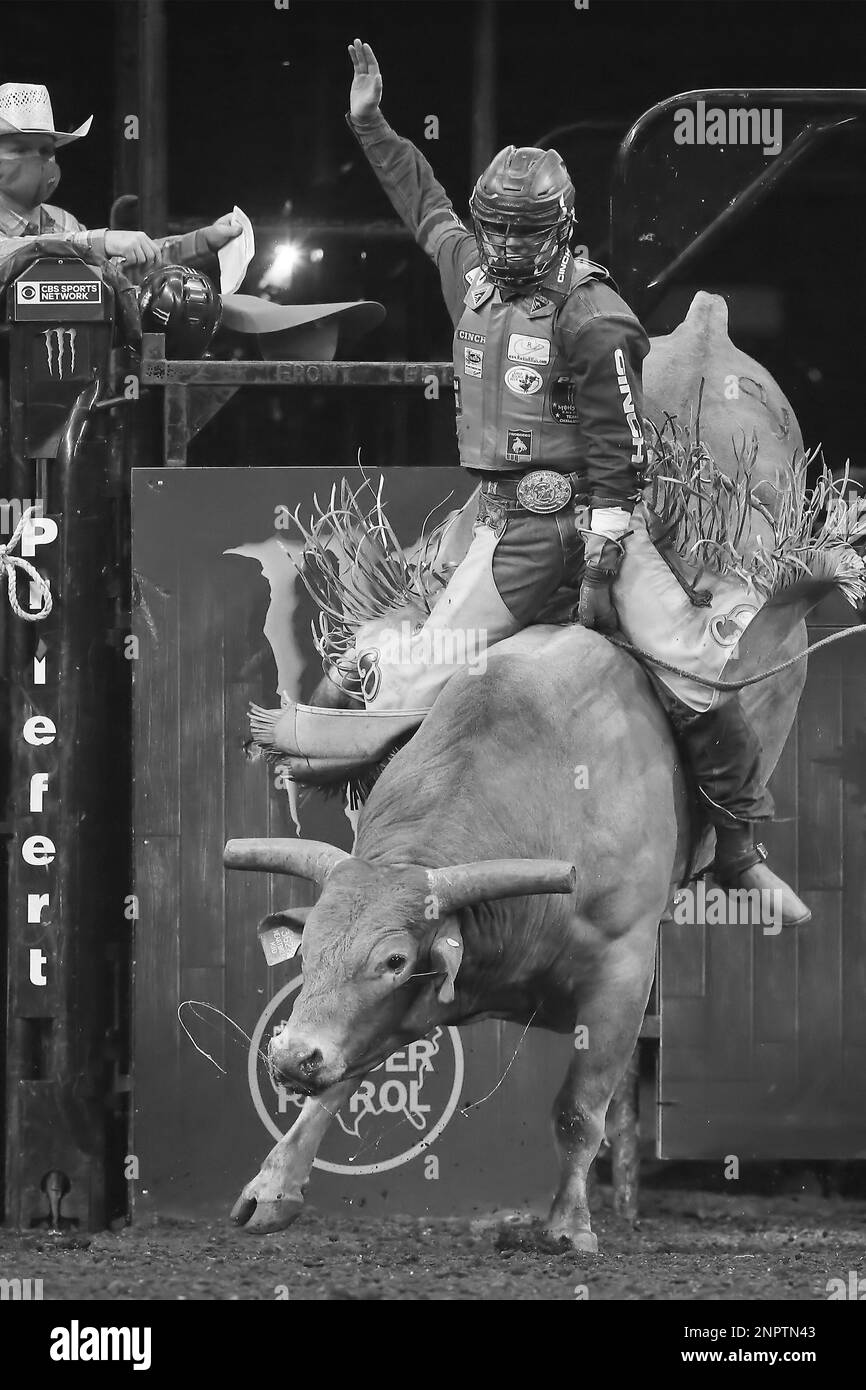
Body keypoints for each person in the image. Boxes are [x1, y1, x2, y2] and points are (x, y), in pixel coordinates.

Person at [261, 39, 809, 927]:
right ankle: (388, 847)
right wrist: (372, 128)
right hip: (500, 519)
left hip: (593, 520)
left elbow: (620, 447)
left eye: (525, 230)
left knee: (698, 672)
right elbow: (422, 203)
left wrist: (600, 564)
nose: (507, 246)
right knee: (402, 668)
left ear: (560, 226)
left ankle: (739, 843)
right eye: (497, 228)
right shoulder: (469, 275)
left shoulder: (595, 317)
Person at [0, 82, 240, 287]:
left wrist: (205, 240)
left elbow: (120, 270)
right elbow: (9, 252)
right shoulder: (72, 233)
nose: (39, 161)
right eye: (20, 149)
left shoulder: (64, 223)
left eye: (46, 151)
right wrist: (102, 242)